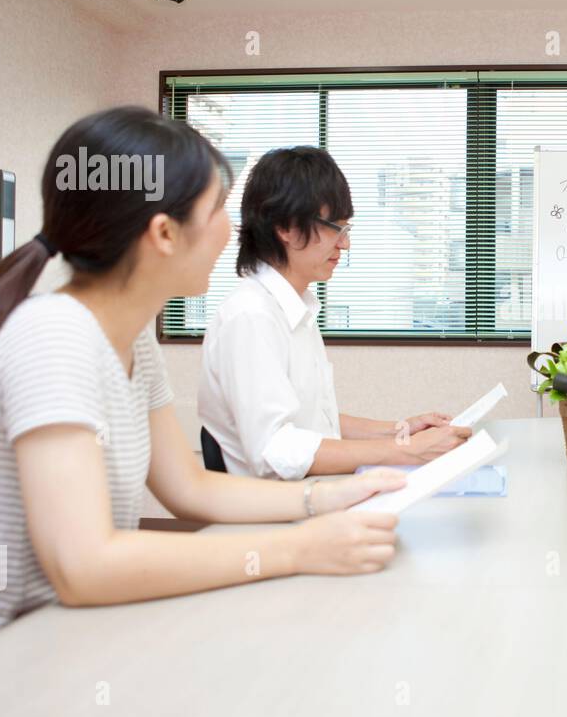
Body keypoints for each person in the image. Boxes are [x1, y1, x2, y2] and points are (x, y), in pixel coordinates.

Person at [0, 107, 406, 627]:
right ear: (165, 234)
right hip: (1, 648)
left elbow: (190, 488)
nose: (232, 230)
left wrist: (326, 496)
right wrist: (297, 549)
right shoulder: (53, 337)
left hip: (68, 628)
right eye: (216, 209)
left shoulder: (133, 342)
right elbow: (84, 567)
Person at [198, 146, 471, 479]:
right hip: (282, 504)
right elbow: (276, 450)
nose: (345, 244)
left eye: (346, 230)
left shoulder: (295, 307)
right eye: (335, 228)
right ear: (286, 227)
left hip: (318, 492)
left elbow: (315, 423)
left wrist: (402, 431)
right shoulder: (251, 316)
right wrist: (407, 451)